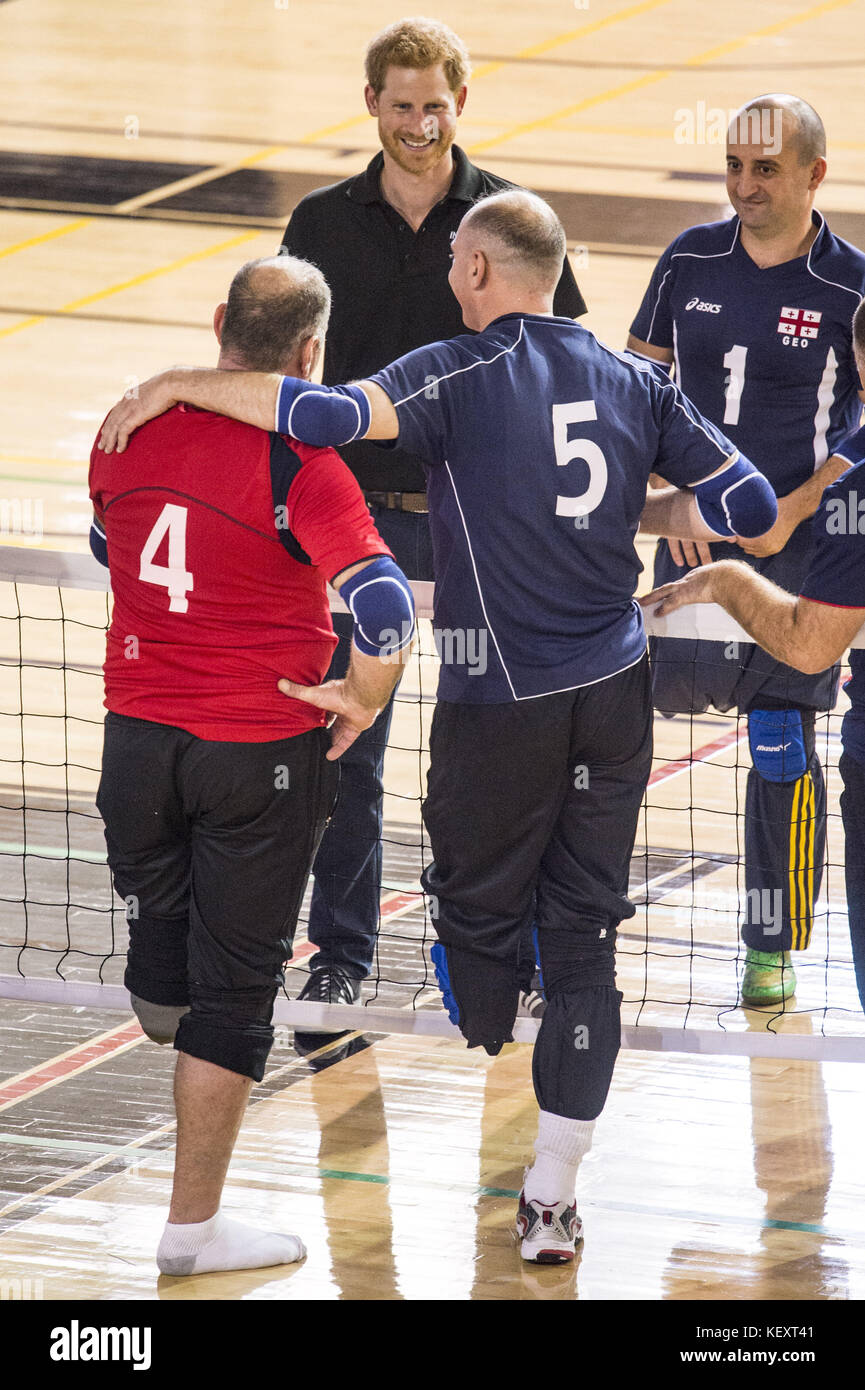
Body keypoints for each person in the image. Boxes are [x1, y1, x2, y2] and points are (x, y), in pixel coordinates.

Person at [96, 190, 777, 1263]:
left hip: (495, 703)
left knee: (475, 943)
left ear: (474, 271)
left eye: (458, 260)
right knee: (585, 939)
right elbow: (745, 509)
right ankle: (549, 1196)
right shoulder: (638, 382)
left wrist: (181, 380)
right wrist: (629, 520)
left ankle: (493, 993)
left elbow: (317, 416)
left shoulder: (456, 368)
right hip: (612, 696)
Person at [89, 255, 415, 1276]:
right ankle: (193, 1230)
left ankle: (158, 972)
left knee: (176, 968)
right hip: (256, 756)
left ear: (219, 321)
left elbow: (109, 547)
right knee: (234, 998)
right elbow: (386, 607)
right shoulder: (302, 468)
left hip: (135, 745)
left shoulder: (127, 425)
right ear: (311, 355)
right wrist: (362, 694)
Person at [281, 17, 586, 1045]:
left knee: (503, 746)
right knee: (346, 744)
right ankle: (340, 966)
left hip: (476, 530)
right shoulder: (320, 223)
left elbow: (561, 358)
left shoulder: (507, 220)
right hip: (354, 538)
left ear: (462, 104)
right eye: (400, 104)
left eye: (434, 104)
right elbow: (291, 376)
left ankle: (528, 961)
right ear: (371, 103)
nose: (418, 123)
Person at [627, 93, 865, 1006]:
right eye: (732, 165)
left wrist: (795, 510)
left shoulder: (849, 285)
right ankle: (581, 912)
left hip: (798, 551)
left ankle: (770, 944)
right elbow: (637, 389)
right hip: (686, 539)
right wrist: (664, 501)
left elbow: (861, 424)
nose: (742, 184)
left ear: (813, 174)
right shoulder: (688, 257)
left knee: (778, 739)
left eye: (763, 168)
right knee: (615, 730)